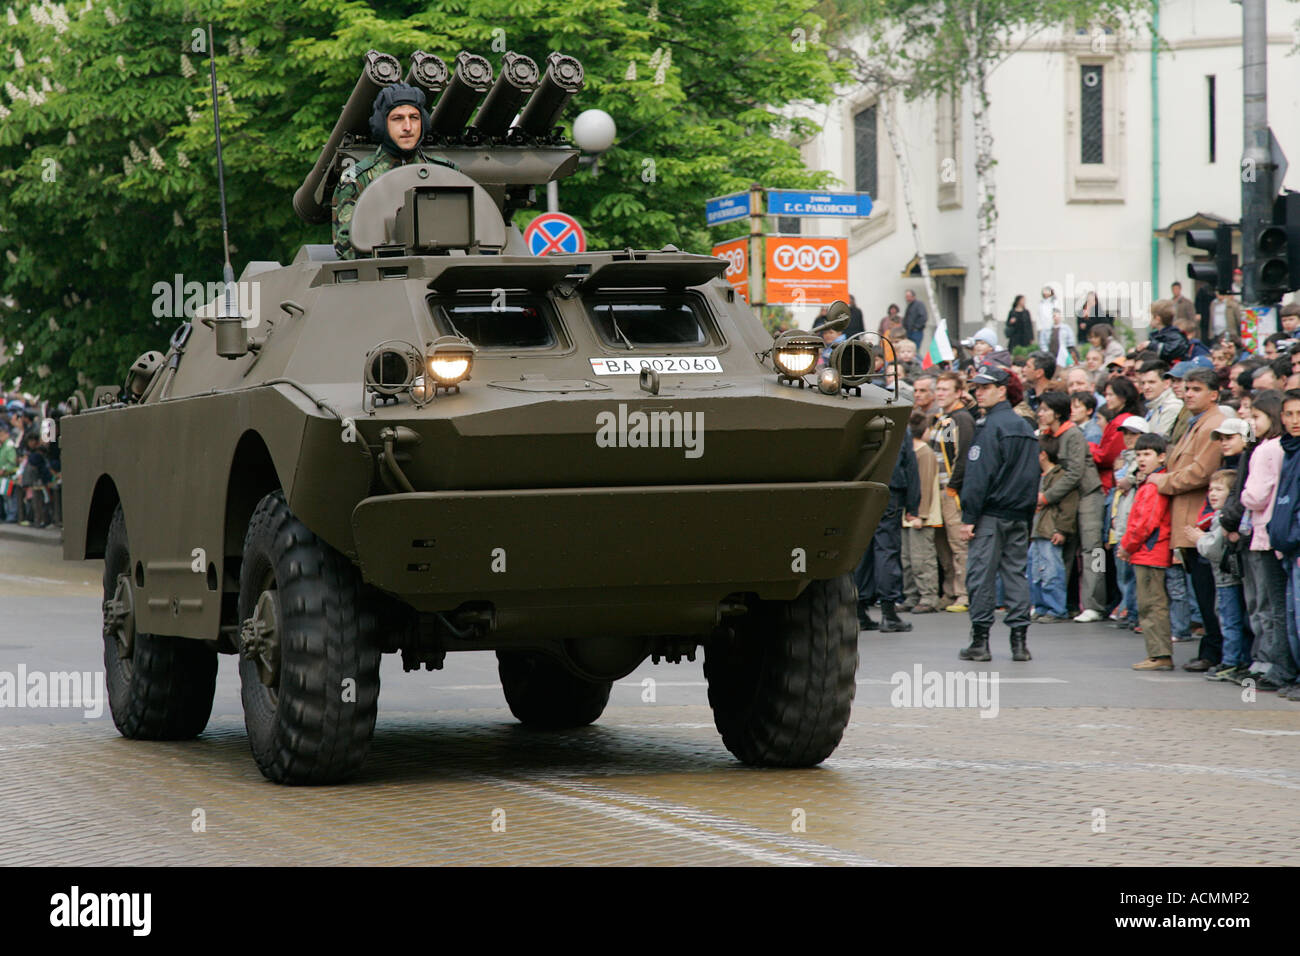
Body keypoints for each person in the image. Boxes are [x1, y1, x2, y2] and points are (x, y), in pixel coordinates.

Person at [957, 366, 1041, 662]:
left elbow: (978, 478)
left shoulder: (990, 426)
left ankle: (980, 642)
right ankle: (1020, 643)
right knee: (1016, 576)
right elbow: (1033, 477)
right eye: (976, 387)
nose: (977, 392)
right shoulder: (1025, 428)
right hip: (1019, 514)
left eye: (984, 387)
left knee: (981, 576)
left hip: (990, 515)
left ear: (1002, 390)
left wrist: (968, 517)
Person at [1147, 368, 1226, 672]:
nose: (1188, 393)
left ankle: (1215, 651)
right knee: (1201, 590)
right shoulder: (1198, 422)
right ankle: (1212, 649)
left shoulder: (1213, 425)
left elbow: (1200, 473)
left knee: (1209, 592)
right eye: (1187, 388)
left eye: (1196, 389)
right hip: (1189, 520)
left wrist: (1161, 481)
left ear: (1213, 394)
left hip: (1201, 522)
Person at [1223, 391, 1298, 692]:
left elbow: (1254, 495)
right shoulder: (1283, 448)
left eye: (1255, 416)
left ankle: (1274, 665)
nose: (1249, 422)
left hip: (1267, 534)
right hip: (1278, 532)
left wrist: (1237, 502)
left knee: (1271, 605)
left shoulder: (1269, 449)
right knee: (1276, 605)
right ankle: (1272, 663)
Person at [333, 84, 456, 259]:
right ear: (382, 124)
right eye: (397, 118)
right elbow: (346, 250)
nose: (408, 127)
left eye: (414, 117)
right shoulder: (357, 179)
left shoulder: (446, 174)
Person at [1037, 390, 1106, 621]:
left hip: (1088, 495)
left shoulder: (1073, 434)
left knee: (1093, 549)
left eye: (1045, 409)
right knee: (1062, 548)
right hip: (1066, 498)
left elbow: (1074, 473)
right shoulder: (1047, 435)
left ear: (1057, 413)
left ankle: (1094, 604)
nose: (1040, 413)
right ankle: (1059, 604)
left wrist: (1047, 496)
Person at [1119, 433, 1174, 670]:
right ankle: (1157, 652)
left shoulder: (1154, 484)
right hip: (1147, 551)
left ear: (1161, 457)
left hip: (1150, 551)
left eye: (1147, 454)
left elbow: (1144, 522)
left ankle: (1160, 654)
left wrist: (1127, 546)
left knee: (1152, 604)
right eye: (1139, 454)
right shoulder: (1150, 482)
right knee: (1150, 603)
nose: (1142, 459)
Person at [856, 435, 920, 633]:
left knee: (862, 551)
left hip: (863, 489)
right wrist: (913, 504)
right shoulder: (899, 426)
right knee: (887, 550)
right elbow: (910, 466)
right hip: (890, 491)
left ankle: (859, 610)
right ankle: (888, 611)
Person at [1196, 469, 1249, 682]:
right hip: (1224, 578)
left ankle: (1231, 661)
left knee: (1230, 620)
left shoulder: (1223, 517)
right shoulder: (1217, 516)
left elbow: (1214, 549)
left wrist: (1198, 539)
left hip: (1228, 578)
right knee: (1231, 618)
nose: (1212, 494)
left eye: (1219, 489)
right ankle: (1238, 659)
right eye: (1210, 489)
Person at [930, 372, 976, 612]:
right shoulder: (942, 418)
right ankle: (948, 591)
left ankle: (964, 594)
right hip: (936, 491)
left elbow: (963, 456)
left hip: (951, 491)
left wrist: (953, 487)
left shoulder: (962, 419)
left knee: (959, 544)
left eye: (946, 389)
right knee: (943, 545)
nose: (940, 393)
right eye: (938, 388)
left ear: (959, 393)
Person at [1029, 434, 1077, 623]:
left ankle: (1056, 609)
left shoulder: (1059, 477)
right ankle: (1040, 606)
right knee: (1034, 572)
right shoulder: (1037, 476)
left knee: (1051, 571)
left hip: (1050, 530)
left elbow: (1069, 506)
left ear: (1042, 455)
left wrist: (1062, 530)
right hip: (1037, 530)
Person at [902, 412, 944, 613]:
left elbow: (925, 484)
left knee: (922, 558)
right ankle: (911, 596)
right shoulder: (909, 450)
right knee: (907, 559)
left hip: (920, 515)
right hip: (907, 514)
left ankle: (928, 597)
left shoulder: (925, 453)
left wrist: (920, 513)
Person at [1138, 360, 1183, 438]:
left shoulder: (1172, 406)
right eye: (1143, 383)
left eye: (1151, 382)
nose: (1146, 387)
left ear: (1166, 383)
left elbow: (1159, 442)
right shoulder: (1155, 404)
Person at [0, 422, 18, 523]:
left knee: (9, 498)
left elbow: (12, 462)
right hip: (2, 478)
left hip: (8, 476)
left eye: (1, 434)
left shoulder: (9, 446)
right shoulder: (2, 446)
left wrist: (4, 469)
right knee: (5, 497)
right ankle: (6, 515)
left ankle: (12, 516)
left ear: (7, 434)